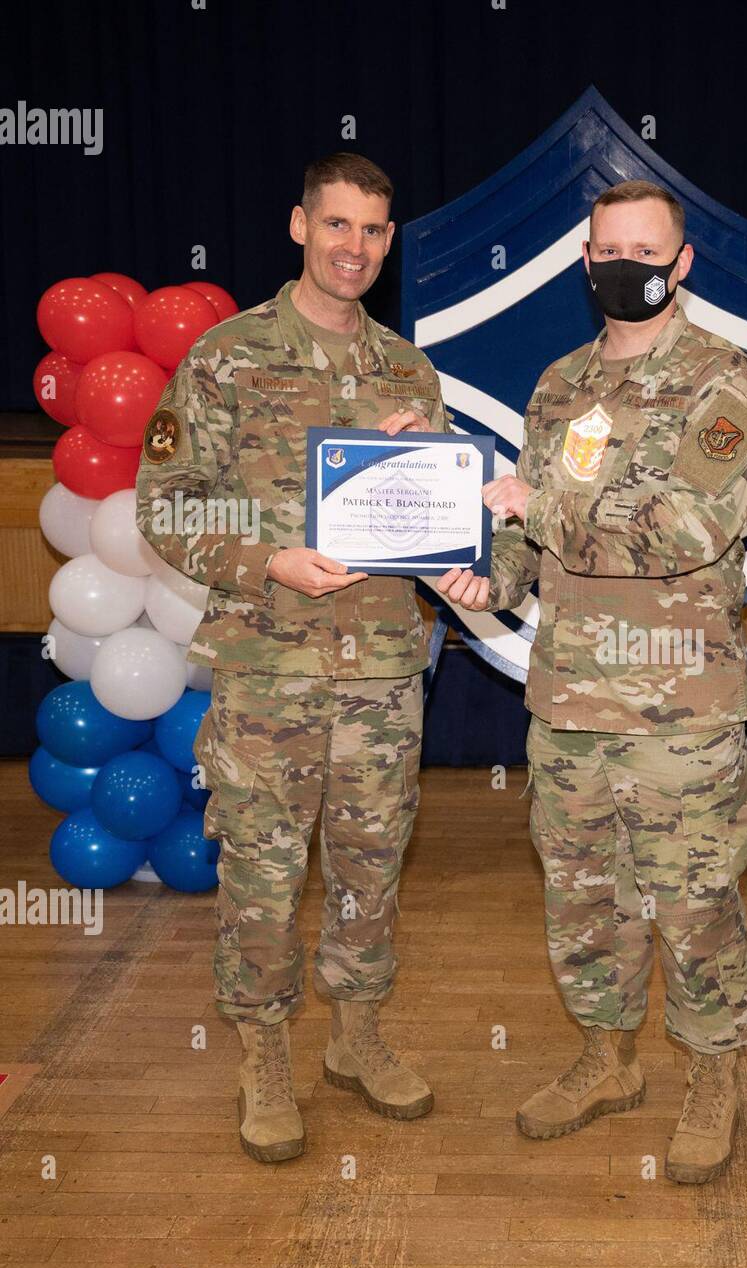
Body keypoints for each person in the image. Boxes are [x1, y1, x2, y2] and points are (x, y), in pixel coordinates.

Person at [438, 179, 747, 1183]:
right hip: (571, 700)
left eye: (646, 249)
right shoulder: (559, 386)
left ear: (680, 265)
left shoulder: (732, 386)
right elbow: (527, 546)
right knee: (585, 897)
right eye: (606, 249)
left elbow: (686, 531)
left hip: (683, 707)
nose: (623, 264)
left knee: (694, 900)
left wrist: (534, 504)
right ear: (585, 262)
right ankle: (606, 1057)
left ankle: (714, 1076)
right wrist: (480, 570)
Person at [135, 153, 445, 1163]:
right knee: (264, 878)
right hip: (268, 671)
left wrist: (441, 501)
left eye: (372, 231)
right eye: (337, 225)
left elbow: (434, 521)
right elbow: (167, 504)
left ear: (388, 242)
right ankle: (263, 1054)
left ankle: (354, 1036)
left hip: (382, 677)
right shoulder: (227, 357)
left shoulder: (409, 370)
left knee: (369, 871)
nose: (353, 247)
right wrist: (266, 558)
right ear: (300, 226)